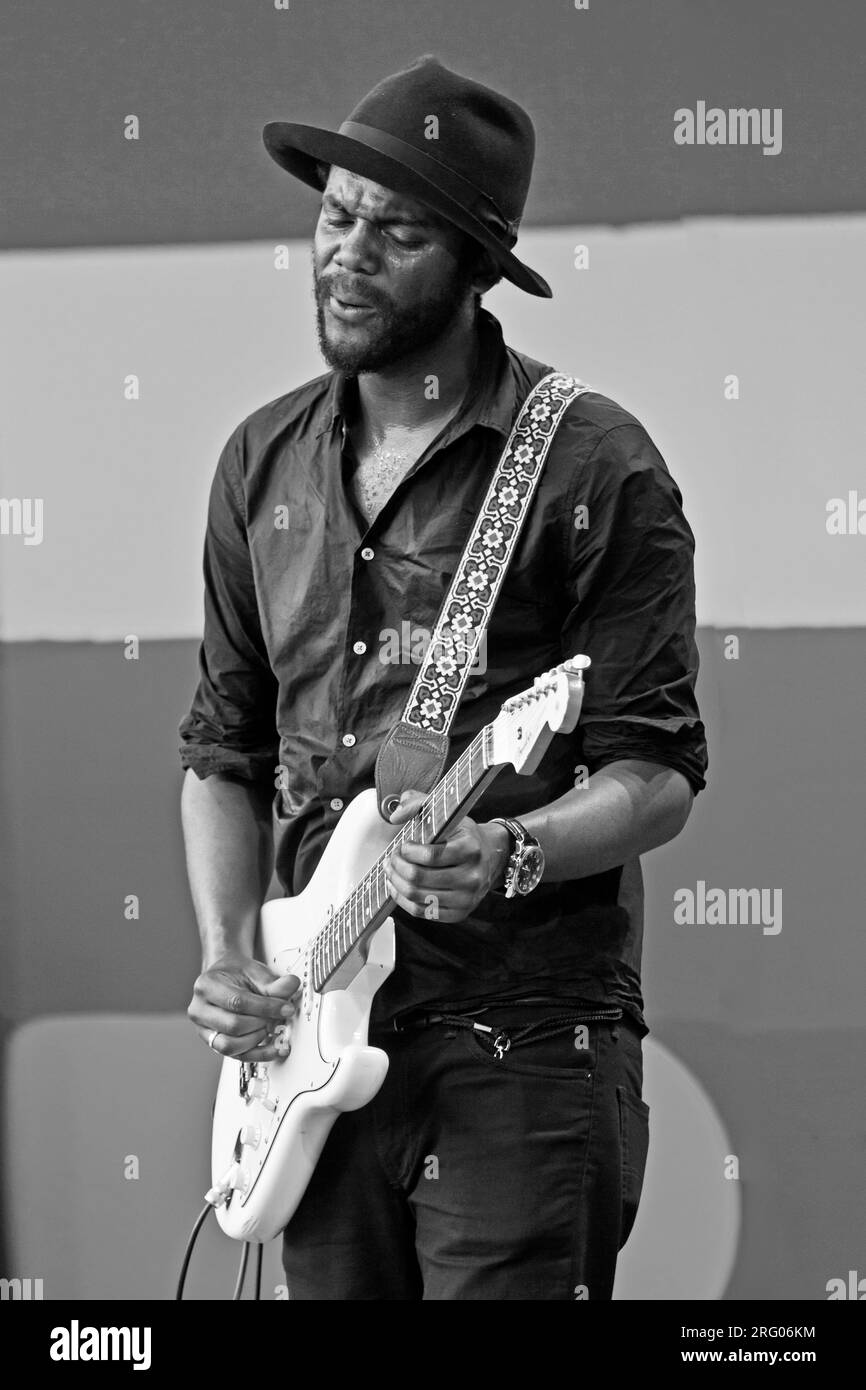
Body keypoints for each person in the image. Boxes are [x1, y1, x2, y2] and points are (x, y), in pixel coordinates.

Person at [180, 55, 708, 1301]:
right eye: (334, 215)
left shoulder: (591, 464)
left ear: (476, 266)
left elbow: (656, 769)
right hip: (314, 1046)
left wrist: (512, 851)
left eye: (396, 231)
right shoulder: (260, 463)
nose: (346, 254)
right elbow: (222, 750)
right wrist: (227, 953)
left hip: (519, 1047)